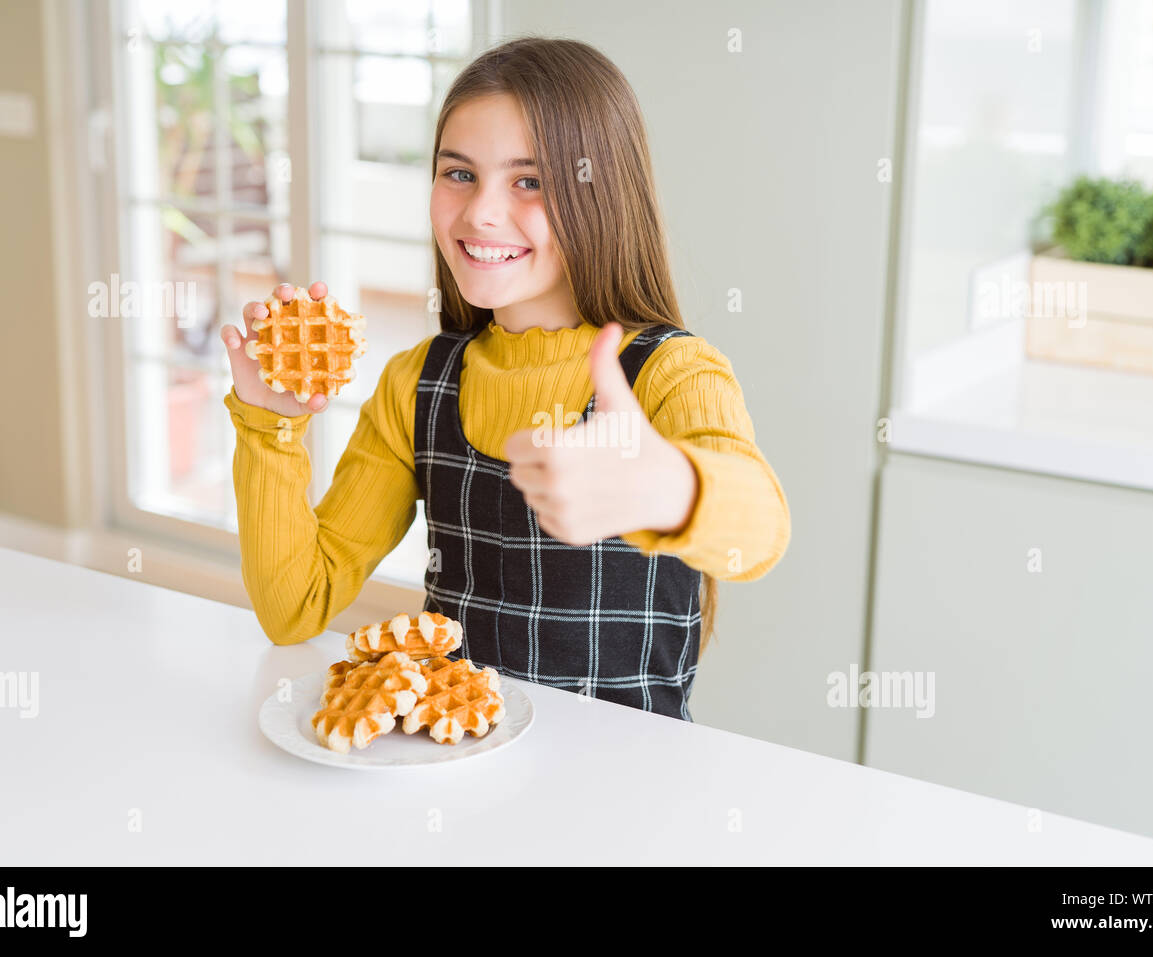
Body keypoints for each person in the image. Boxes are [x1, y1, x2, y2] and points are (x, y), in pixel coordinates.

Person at [221, 37, 790, 721]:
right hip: (460, 781)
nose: (481, 212)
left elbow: (759, 537)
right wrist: (270, 424)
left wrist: (666, 485)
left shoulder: (669, 372)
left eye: (530, 181)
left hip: (627, 795)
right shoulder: (416, 385)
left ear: (601, 193)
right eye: (458, 173)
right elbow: (294, 606)